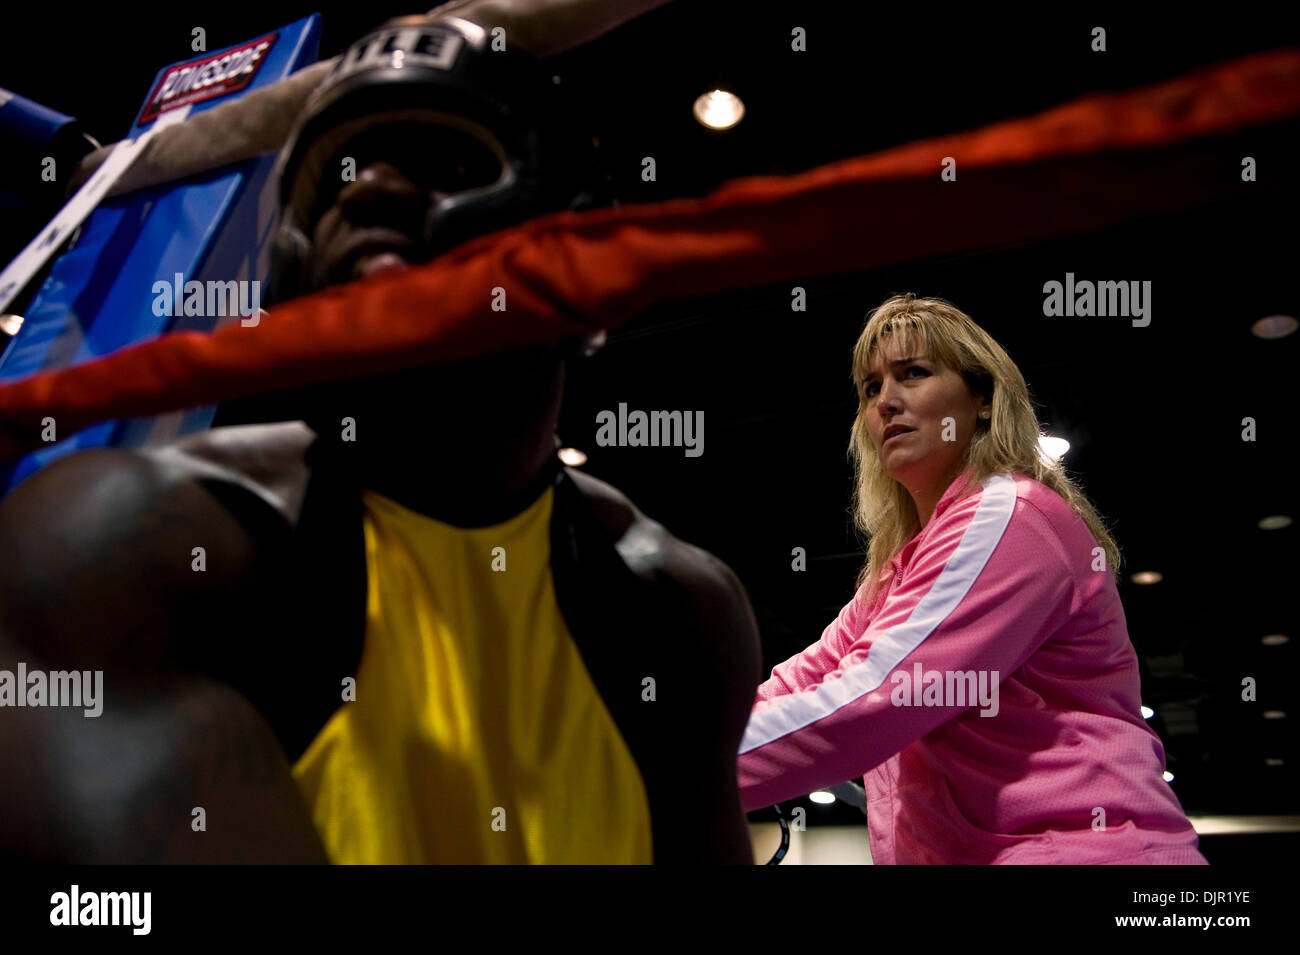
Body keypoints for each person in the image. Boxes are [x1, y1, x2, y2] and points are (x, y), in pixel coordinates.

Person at [0, 14, 760, 864]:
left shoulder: (679, 614)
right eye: (335, 183)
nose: (365, 192)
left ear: (578, 255)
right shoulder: (130, 558)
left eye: (451, 162)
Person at [736, 293, 1207, 865]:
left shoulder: (1007, 515)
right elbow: (804, 679)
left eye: (914, 373)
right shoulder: (902, 566)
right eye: (870, 388)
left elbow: (871, 701)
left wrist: (663, 773)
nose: (886, 401)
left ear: (982, 399)